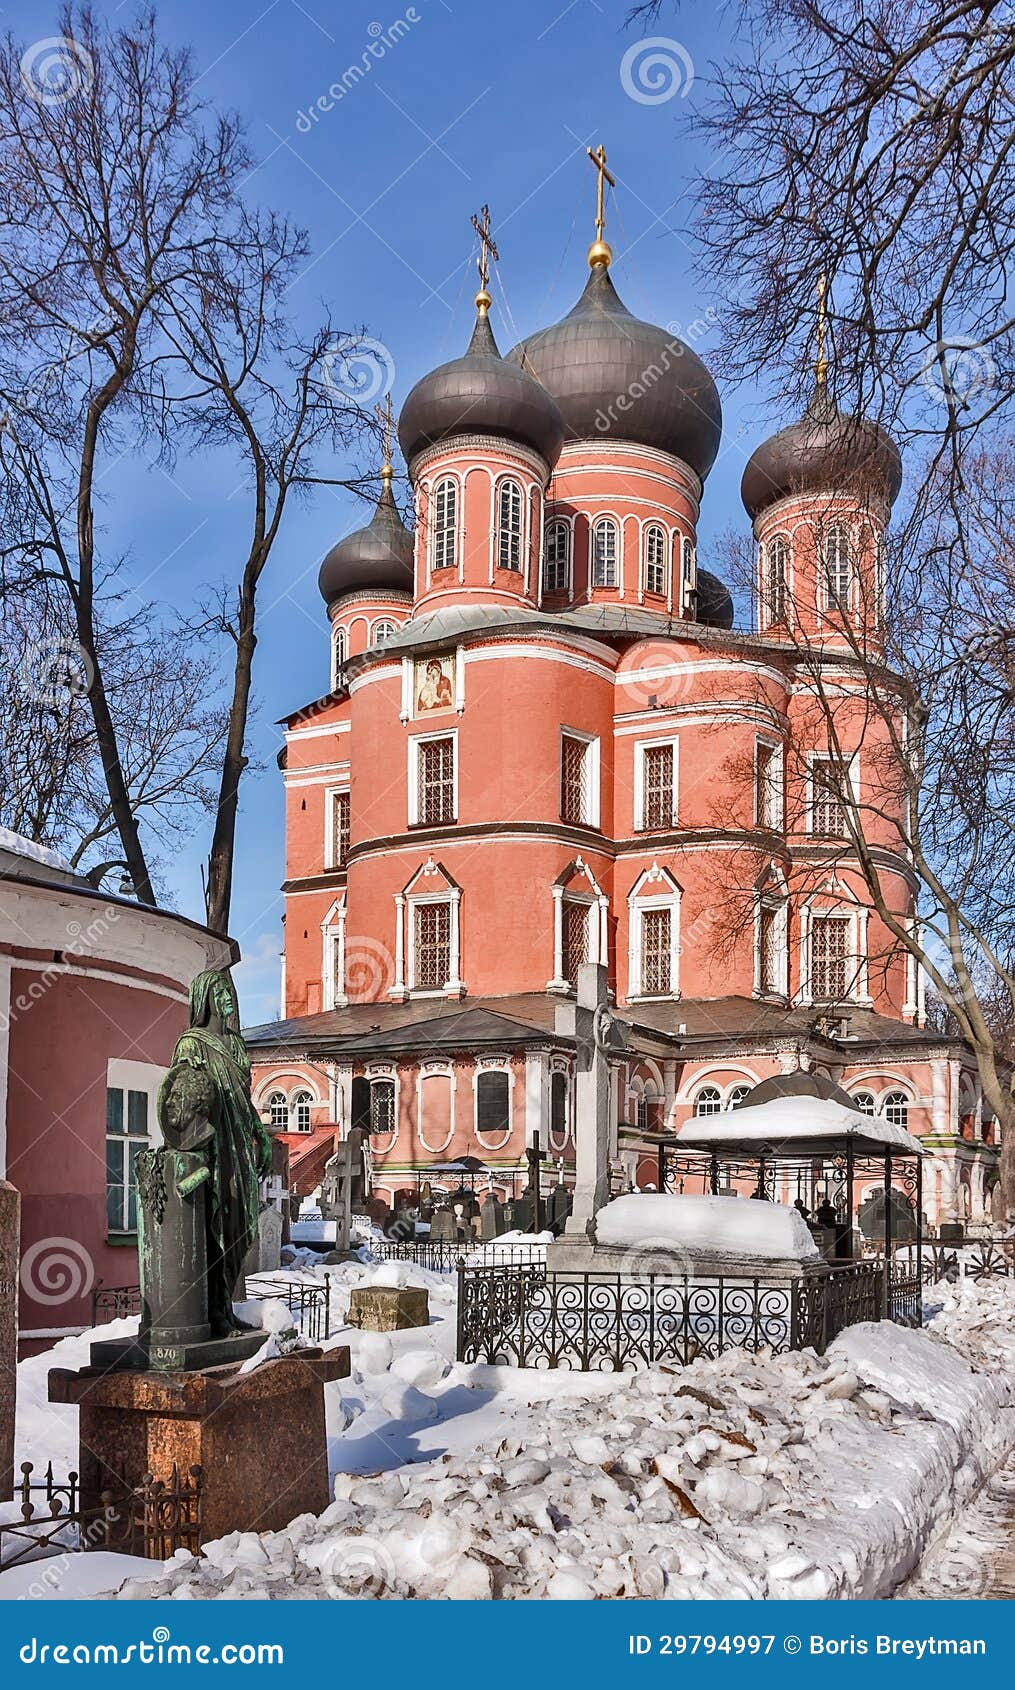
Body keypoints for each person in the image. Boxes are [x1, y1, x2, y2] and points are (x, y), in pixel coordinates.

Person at [158, 970, 272, 1337]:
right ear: (205, 998)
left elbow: (244, 1100)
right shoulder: (191, 1044)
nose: (228, 997)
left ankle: (225, 1306)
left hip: (238, 1146)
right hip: (213, 1147)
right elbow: (183, 1097)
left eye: (230, 991)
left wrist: (261, 1134)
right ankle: (211, 1313)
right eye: (220, 991)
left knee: (241, 1224)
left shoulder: (236, 1045)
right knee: (214, 1225)